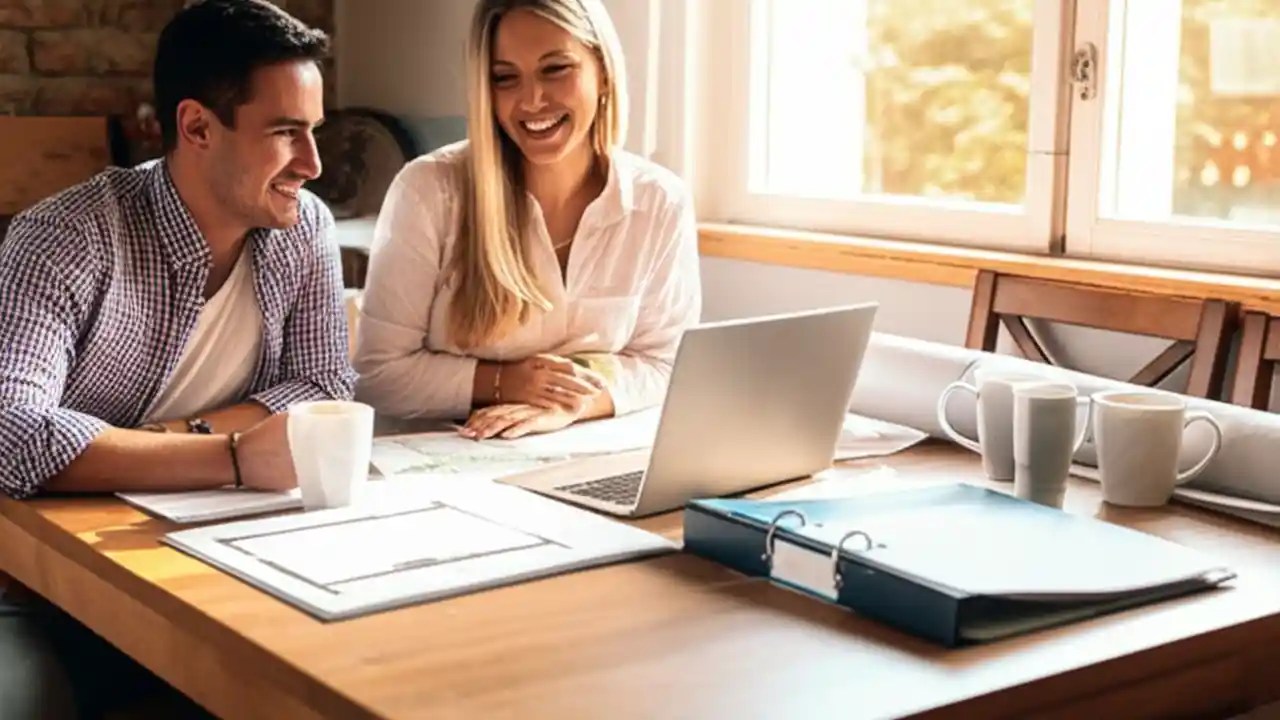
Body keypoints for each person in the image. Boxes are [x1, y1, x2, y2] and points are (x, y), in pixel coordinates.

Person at [0, 0, 353, 715]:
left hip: (231, 549)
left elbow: (323, 383)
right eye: (286, 133)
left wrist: (164, 443)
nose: (312, 166)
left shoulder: (303, 226)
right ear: (196, 126)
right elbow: (12, 436)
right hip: (64, 573)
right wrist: (231, 457)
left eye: (312, 132)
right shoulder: (61, 240)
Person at [354, 0, 702, 441]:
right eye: (505, 78)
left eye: (555, 69)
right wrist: (507, 382)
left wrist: (570, 406)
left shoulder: (659, 201)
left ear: (603, 73)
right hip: (445, 457)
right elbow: (378, 375)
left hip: (584, 451)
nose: (532, 100)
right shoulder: (430, 190)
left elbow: (664, 362)